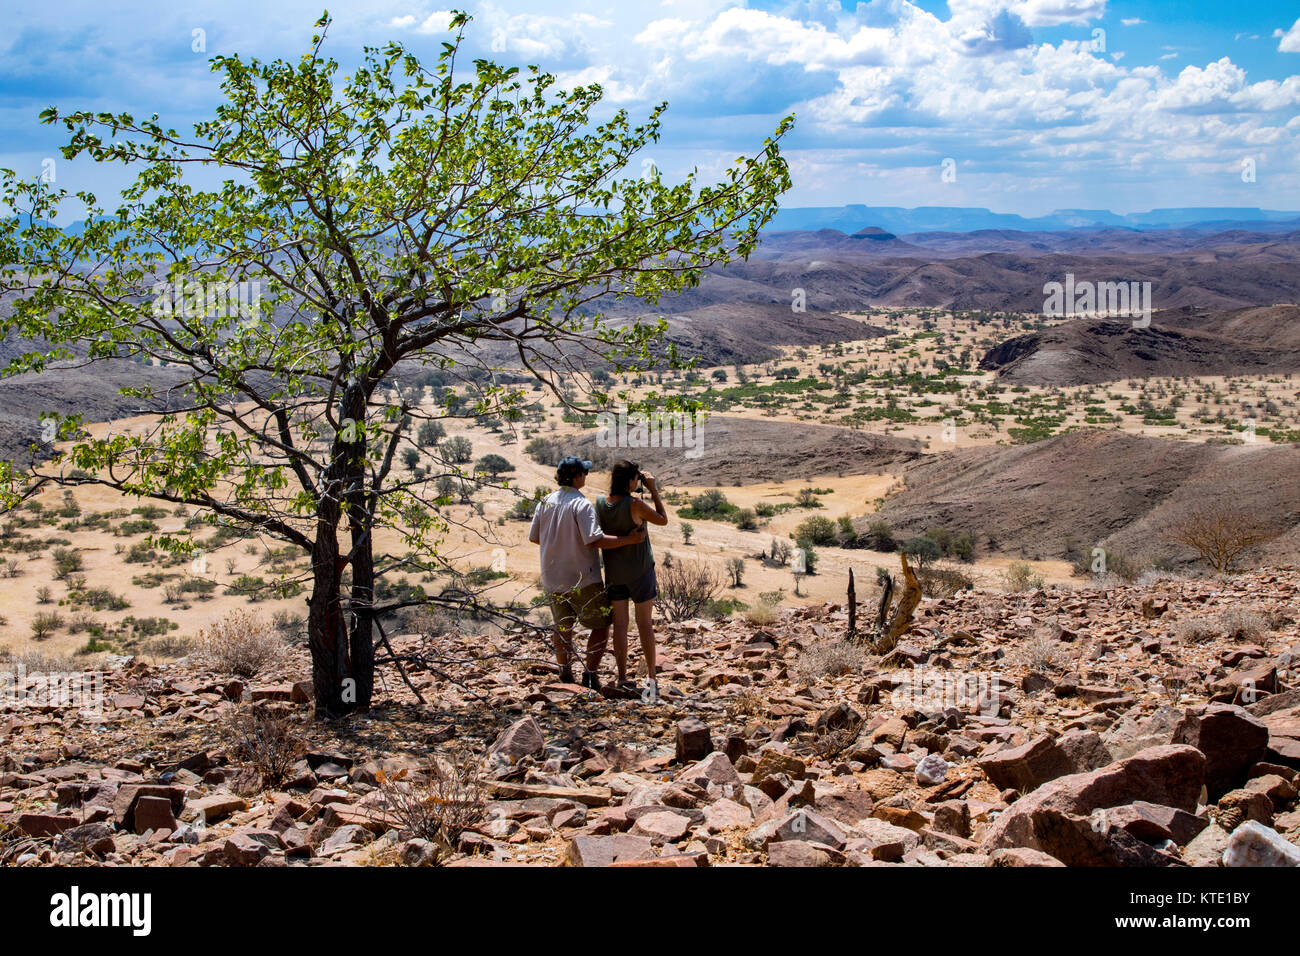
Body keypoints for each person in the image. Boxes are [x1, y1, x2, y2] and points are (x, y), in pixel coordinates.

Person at [528, 455, 644, 690]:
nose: (586, 476)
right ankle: (590, 674)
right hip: (583, 579)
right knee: (601, 624)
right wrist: (628, 540)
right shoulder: (581, 504)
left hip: (552, 578)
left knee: (563, 628)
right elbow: (594, 540)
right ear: (577, 476)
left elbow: (534, 537)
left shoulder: (545, 502)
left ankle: (565, 673)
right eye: (585, 473)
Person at [595, 460, 668, 701]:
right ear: (629, 481)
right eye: (636, 479)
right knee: (644, 624)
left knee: (621, 625)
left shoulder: (600, 503)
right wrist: (654, 489)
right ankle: (651, 679)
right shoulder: (635, 504)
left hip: (615, 573)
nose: (638, 483)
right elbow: (662, 519)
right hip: (640, 571)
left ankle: (623, 676)